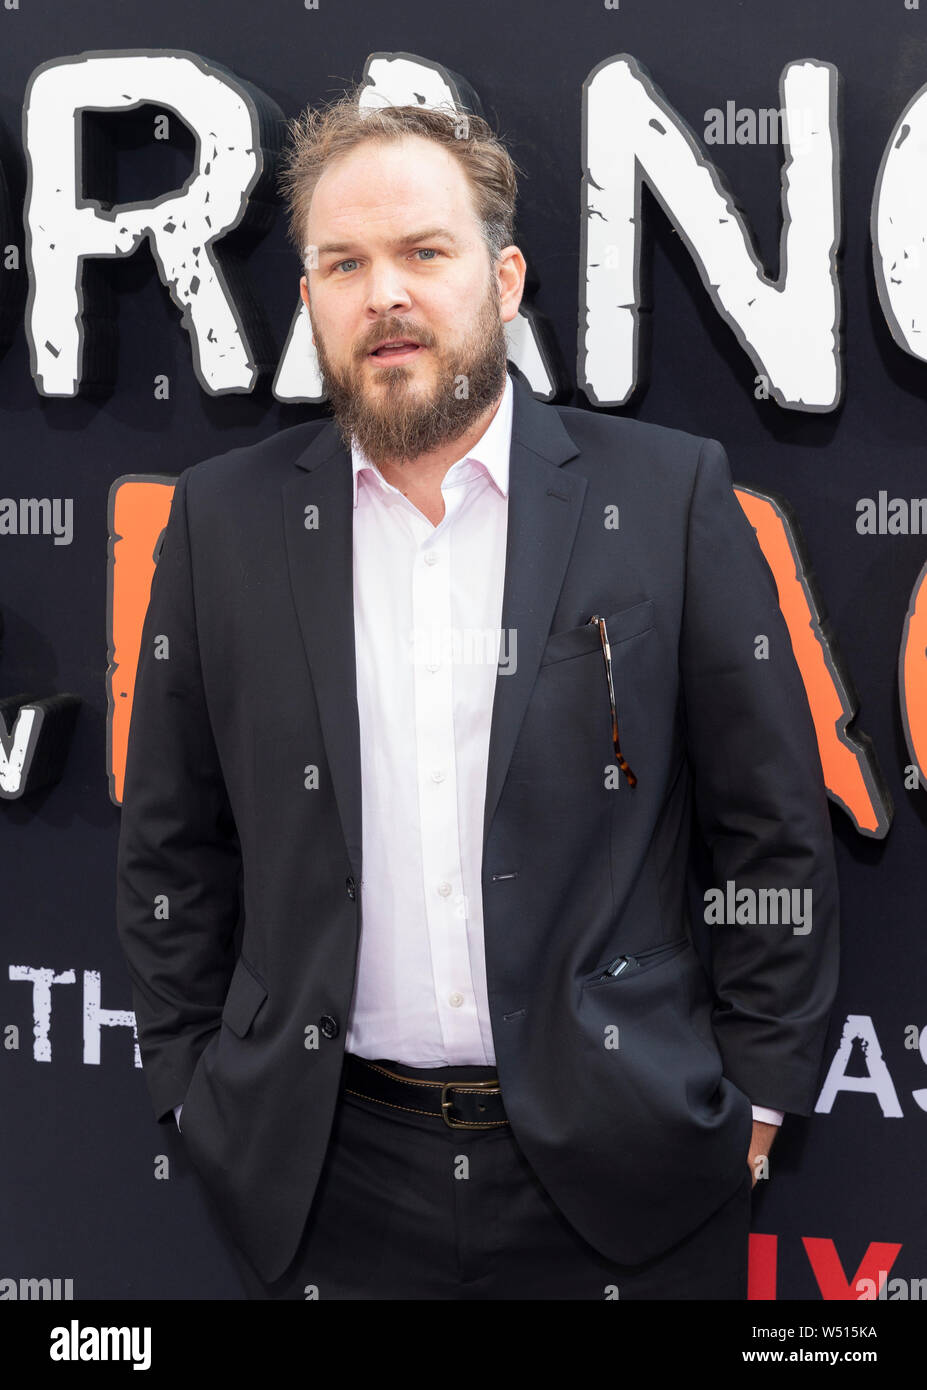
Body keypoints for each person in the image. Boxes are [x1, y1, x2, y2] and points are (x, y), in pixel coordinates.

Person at [115, 88, 840, 1300]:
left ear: (503, 281)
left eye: (423, 253)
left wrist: (757, 1098)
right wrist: (194, 1091)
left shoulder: (663, 498)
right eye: (343, 262)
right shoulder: (221, 523)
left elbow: (770, 827)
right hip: (326, 1178)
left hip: (629, 1168)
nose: (384, 294)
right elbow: (170, 848)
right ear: (308, 303)